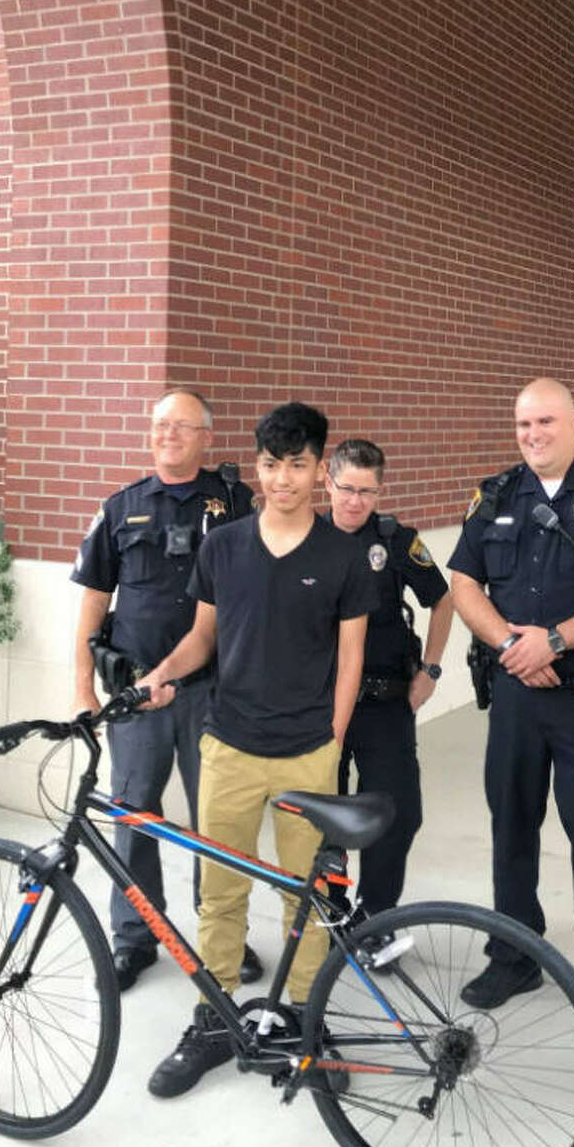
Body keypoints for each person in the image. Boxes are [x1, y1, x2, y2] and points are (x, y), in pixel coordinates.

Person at [140, 400, 376, 1098]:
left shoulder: (342, 553)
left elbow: (352, 655)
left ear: (319, 470)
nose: (281, 479)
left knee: (308, 900)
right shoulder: (224, 546)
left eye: (297, 465)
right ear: (259, 467)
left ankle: (306, 1022)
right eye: (271, 465)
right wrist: (160, 675)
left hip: (307, 750)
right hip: (230, 748)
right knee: (221, 893)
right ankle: (215, 1022)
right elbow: (202, 638)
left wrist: (332, 741)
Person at [448, 377, 574, 1024]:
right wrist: (513, 643)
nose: (533, 434)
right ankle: (514, 956)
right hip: (514, 690)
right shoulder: (498, 495)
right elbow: (463, 580)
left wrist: (557, 640)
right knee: (511, 825)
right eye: (524, 424)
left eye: (546, 421)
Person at [71, 388, 260, 992]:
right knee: (134, 815)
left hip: (214, 692)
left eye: (182, 426)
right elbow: (93, 605)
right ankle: (134, 937)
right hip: (135, 697)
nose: (168, 434)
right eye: (160, 424)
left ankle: (221, 936)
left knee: (217, 821)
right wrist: (82, 688)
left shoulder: (236, 504)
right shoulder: (121, 507)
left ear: (208, 436)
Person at [322, 438, 455, 918]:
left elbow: (443, 599)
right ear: (327, 481)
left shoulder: (395, 540)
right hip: (321, 704)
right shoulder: (305, 538)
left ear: (380, 491)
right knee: (322, 815)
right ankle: (329, 908)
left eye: (367, 491)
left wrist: (432, 669)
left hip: (385, 701)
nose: (355, 501)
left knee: (397, 814)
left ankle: (374, 913)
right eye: (347, 488)